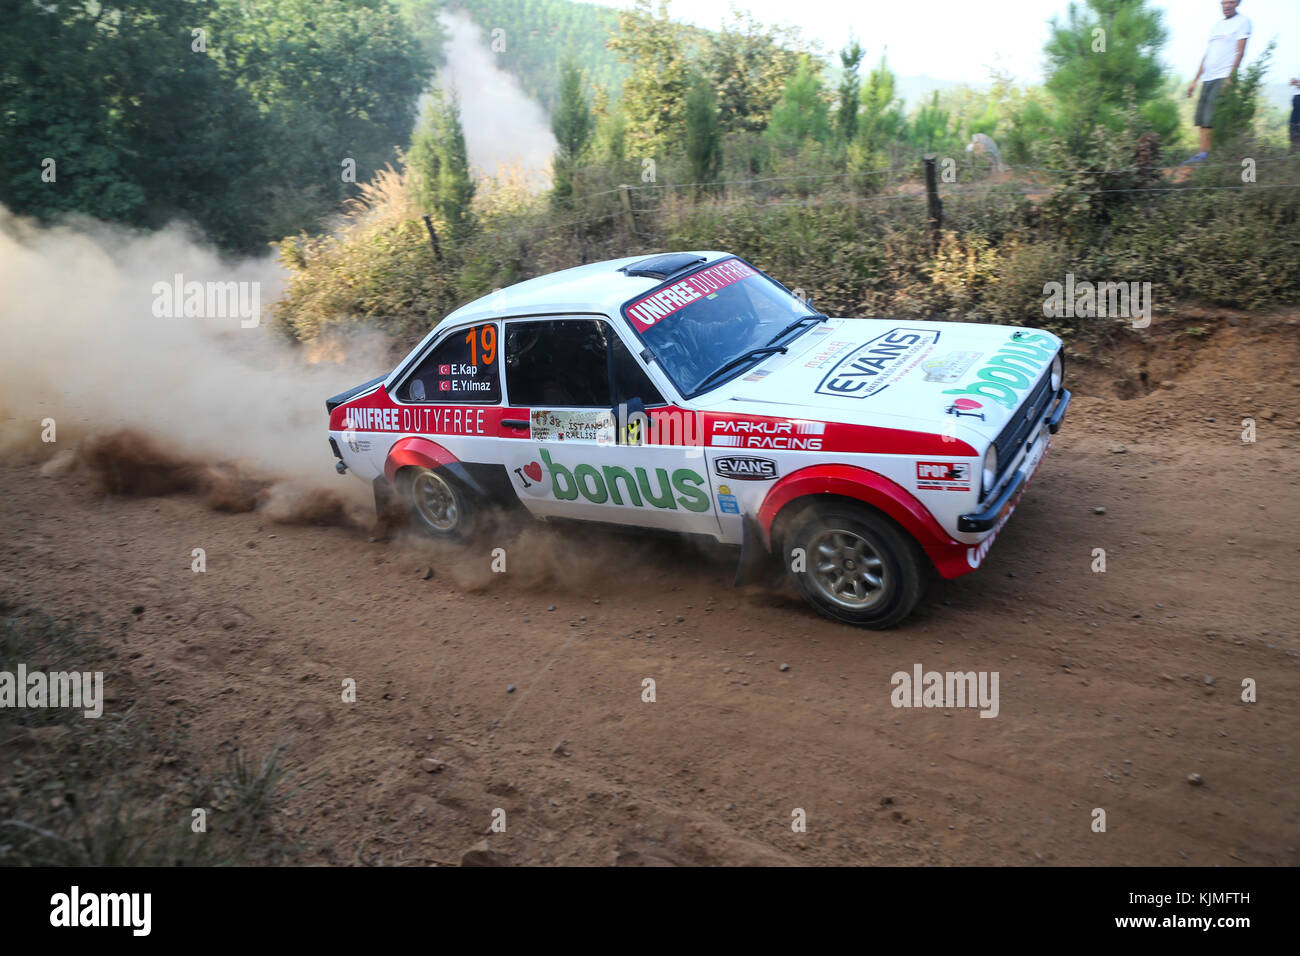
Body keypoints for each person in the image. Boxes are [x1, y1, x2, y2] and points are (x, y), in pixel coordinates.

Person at [1183, 0, 1252, 164]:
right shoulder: (1216, 26)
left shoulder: (1243, 22)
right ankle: (1202, 153)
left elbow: (1240, 52)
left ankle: (1207, 156)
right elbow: (1207, 54)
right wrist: (1195, 80)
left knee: (1211, 118)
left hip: (1222, 76)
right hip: (1208, 76)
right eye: (1223, 3)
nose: (1226, 6)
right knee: (1202, 118)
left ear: (1237, 3)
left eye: (1230, 2)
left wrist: (1231, 76)